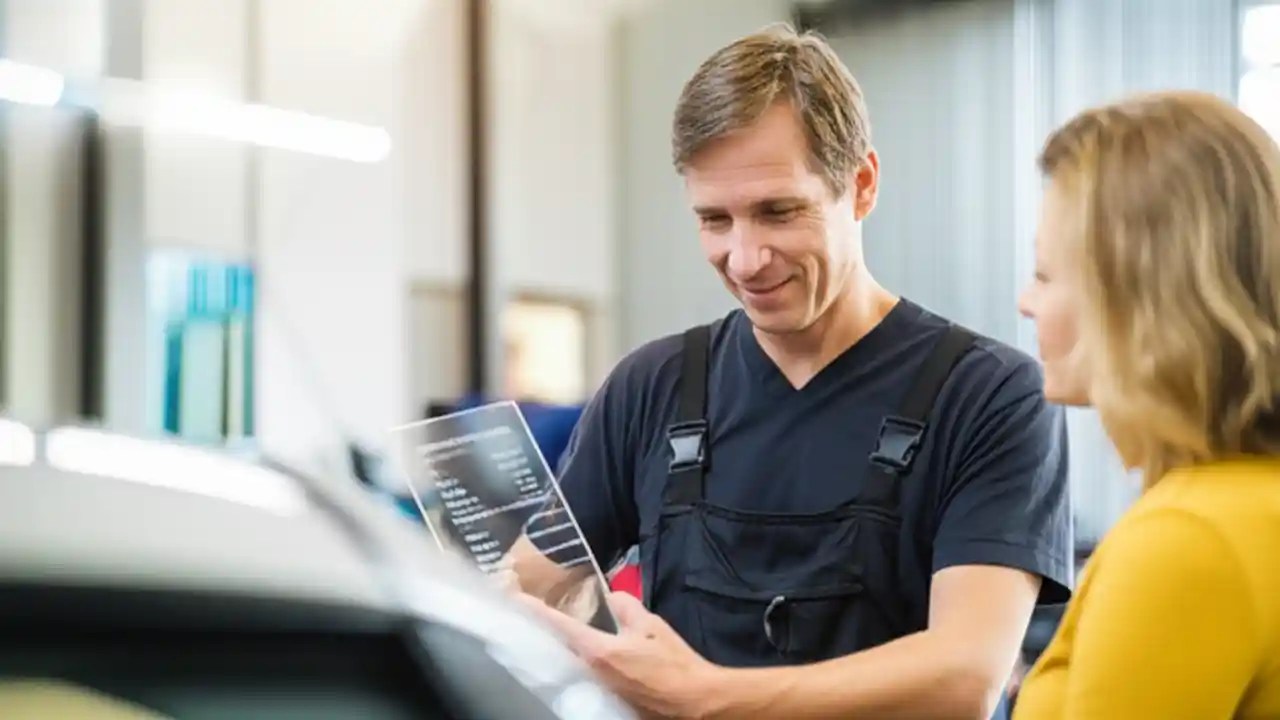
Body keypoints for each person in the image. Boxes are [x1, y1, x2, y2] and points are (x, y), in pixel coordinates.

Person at [512, 24, 1073, 719]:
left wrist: (706, 696)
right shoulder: (650, 387)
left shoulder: (988, 396)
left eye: (779, 212)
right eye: (714, 219)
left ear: (862, 185)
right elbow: (528, 590)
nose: (745, 259)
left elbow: (963, 677)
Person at [1013, 91, 1280, 717]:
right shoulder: (1247, 504)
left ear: (1135, 303)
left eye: (1046, 276)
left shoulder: (1186, 541)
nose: (1027, 301)